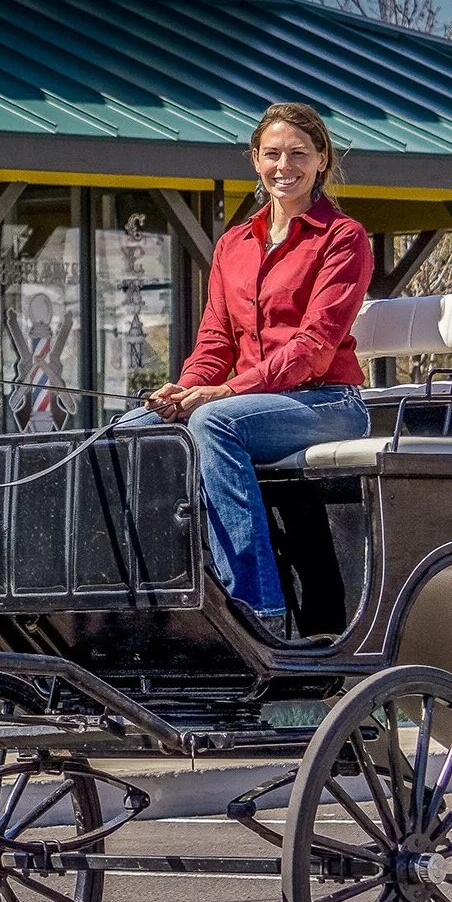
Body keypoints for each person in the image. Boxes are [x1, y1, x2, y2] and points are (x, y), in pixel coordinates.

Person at [139, 102, 372, 633]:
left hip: (328, 403)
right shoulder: (233, 245)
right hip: (252, 402)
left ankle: (254, 608)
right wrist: (186, 387)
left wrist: (221, 395)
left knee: (212, 423)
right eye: (272, 154)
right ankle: (144, 598)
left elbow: (313, 347)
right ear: (255, 161)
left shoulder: (343, 237)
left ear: (321, 160)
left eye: (297, 153)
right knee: (133, 429)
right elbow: (216, 341)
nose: (283, 165)